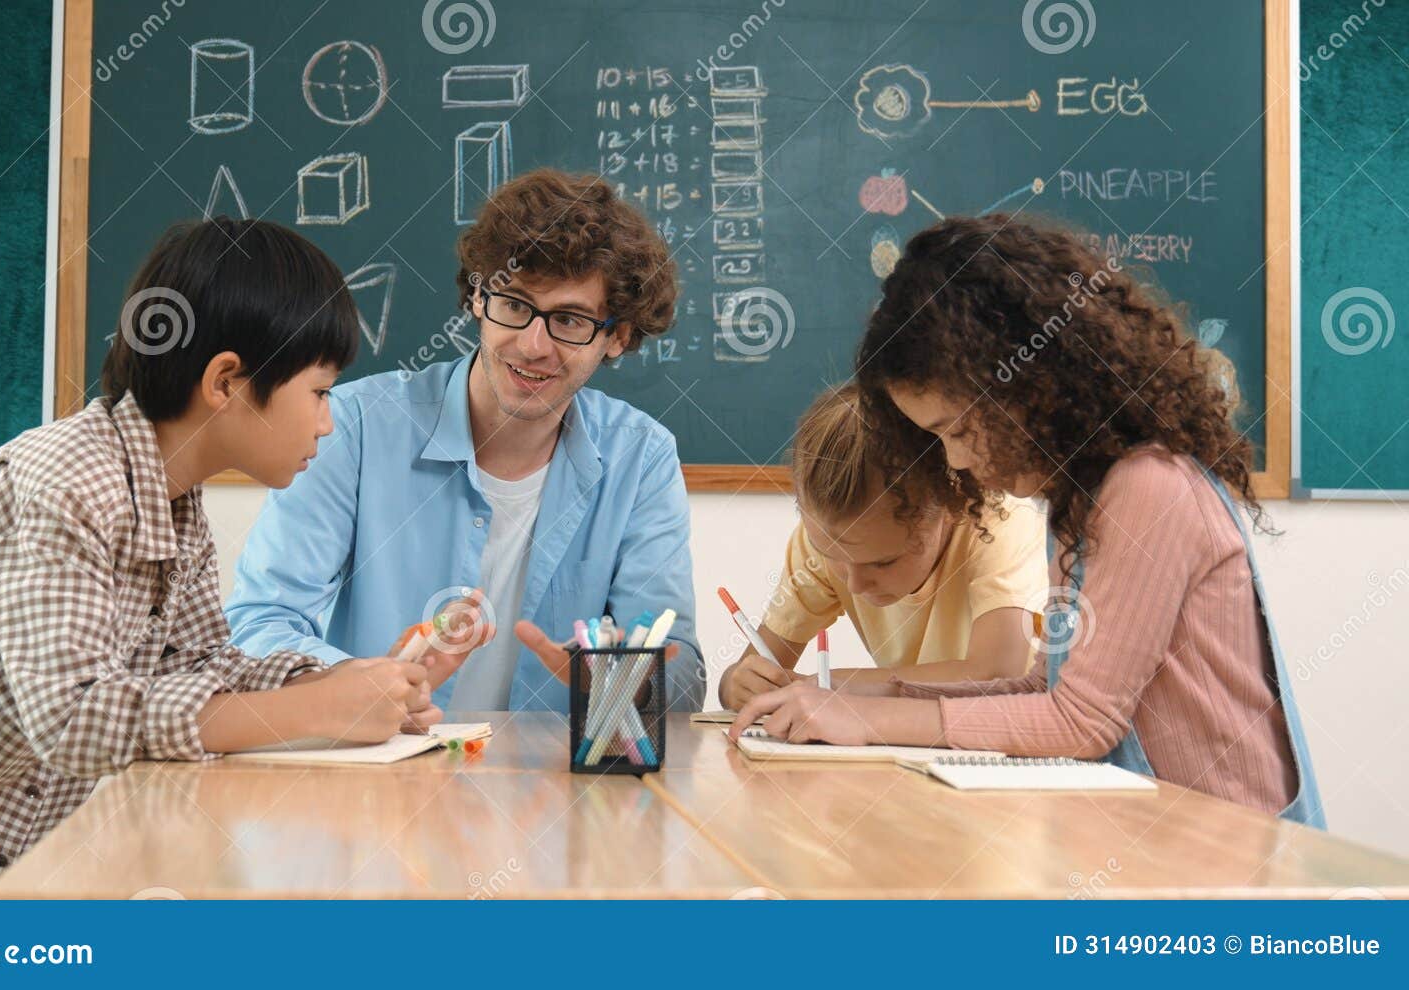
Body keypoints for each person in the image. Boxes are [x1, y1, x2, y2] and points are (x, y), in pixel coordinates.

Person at [0, 218, 441, 899]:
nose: (327, 421)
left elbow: (204, 667)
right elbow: (75, 717)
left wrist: (348, 683)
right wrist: (318, 713)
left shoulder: (174, 499)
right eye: (319, 392)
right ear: (226, 380)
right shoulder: (67, 479)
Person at [733, 214, 1324, 825]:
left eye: (959, 429)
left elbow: (1081, 723)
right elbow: (1044, 692)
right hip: (1155, 837)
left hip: (1233, 858)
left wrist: (868, 717)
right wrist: (853, 694)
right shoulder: (1083, 501)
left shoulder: (1151, 488)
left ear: (1036, 385)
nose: (956, 460)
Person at [227, 168, 702, 712]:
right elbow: (258, 624)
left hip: (549, 789)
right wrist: (371, 683)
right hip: (381, 776)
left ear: (617, 336)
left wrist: (620, 681)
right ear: (478, 297)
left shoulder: (641, 458)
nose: (532, 345)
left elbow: (681, 674)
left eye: (569, 321)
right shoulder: (354, 426)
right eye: (515, 304)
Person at [717, 384, 1045, 712]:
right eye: (833, 558)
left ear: (948, 507)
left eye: (883, 563)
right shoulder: (826, 542)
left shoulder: (1000, 525)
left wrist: (826, 685)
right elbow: (758, 666)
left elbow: (996, 677)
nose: (855, 584)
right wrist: (737, 684)